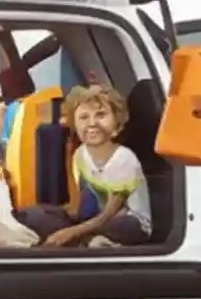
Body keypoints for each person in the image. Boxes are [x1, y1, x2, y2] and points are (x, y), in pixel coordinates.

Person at [13, 84, 154, 247]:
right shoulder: (80, 154)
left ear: (117, 125)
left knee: (119, 225)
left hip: (125, 220)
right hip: (95, 218)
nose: (92, 123)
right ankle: (88, 239)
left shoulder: (124, 159)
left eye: (101, 115)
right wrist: (56, 213)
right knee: (34, 214)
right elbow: (81, 203)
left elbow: (110, 213)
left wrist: (71, 232)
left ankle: (90, 240)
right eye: (84, 117)